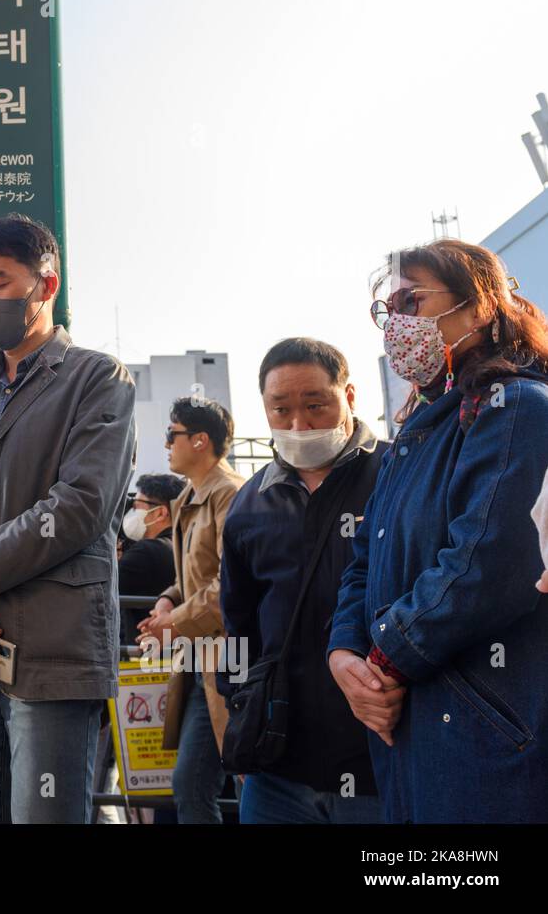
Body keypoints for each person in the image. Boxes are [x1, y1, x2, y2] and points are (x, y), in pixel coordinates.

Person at [0, 213, 137, 824]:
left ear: (47, 286)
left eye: (1, 282)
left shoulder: (98, 377)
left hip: (51, 651)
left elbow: (80, 506)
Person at [329, 239, 548, 823]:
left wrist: (384, 661)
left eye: (413, 300)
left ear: (479, 307)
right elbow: (362, 560)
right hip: (410, 726)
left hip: (488, 726)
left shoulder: (520, 408)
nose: (396, 323)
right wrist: (343, 653)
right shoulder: (417, 432)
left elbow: (487, 565)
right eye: (388, 308)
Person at [218, 338, 383, 823]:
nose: (298, 425)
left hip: (383, 762)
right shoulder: (249, 503)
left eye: (315, 405)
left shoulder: (397, 473)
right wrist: (241, 714)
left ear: (349, 397)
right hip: (278, 773)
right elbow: (237, 625)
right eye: (281, 409)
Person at [137, 396, 242, 824]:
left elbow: (231, 584)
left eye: (172, 434)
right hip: (203, 663)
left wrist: (171, 625)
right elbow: (193, 577)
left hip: (235, 662)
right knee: (191, 785)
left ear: (200, 441)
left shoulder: (230, 494)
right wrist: (168, 600)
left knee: (249, 781)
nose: (166, 443)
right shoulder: (188, 499)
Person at [117, 473, 184, 647]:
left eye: (137, 508)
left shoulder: (146, 552)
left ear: (161, 513)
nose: (132, 514)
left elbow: (100, 587)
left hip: (145, 653)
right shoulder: (181, 545)